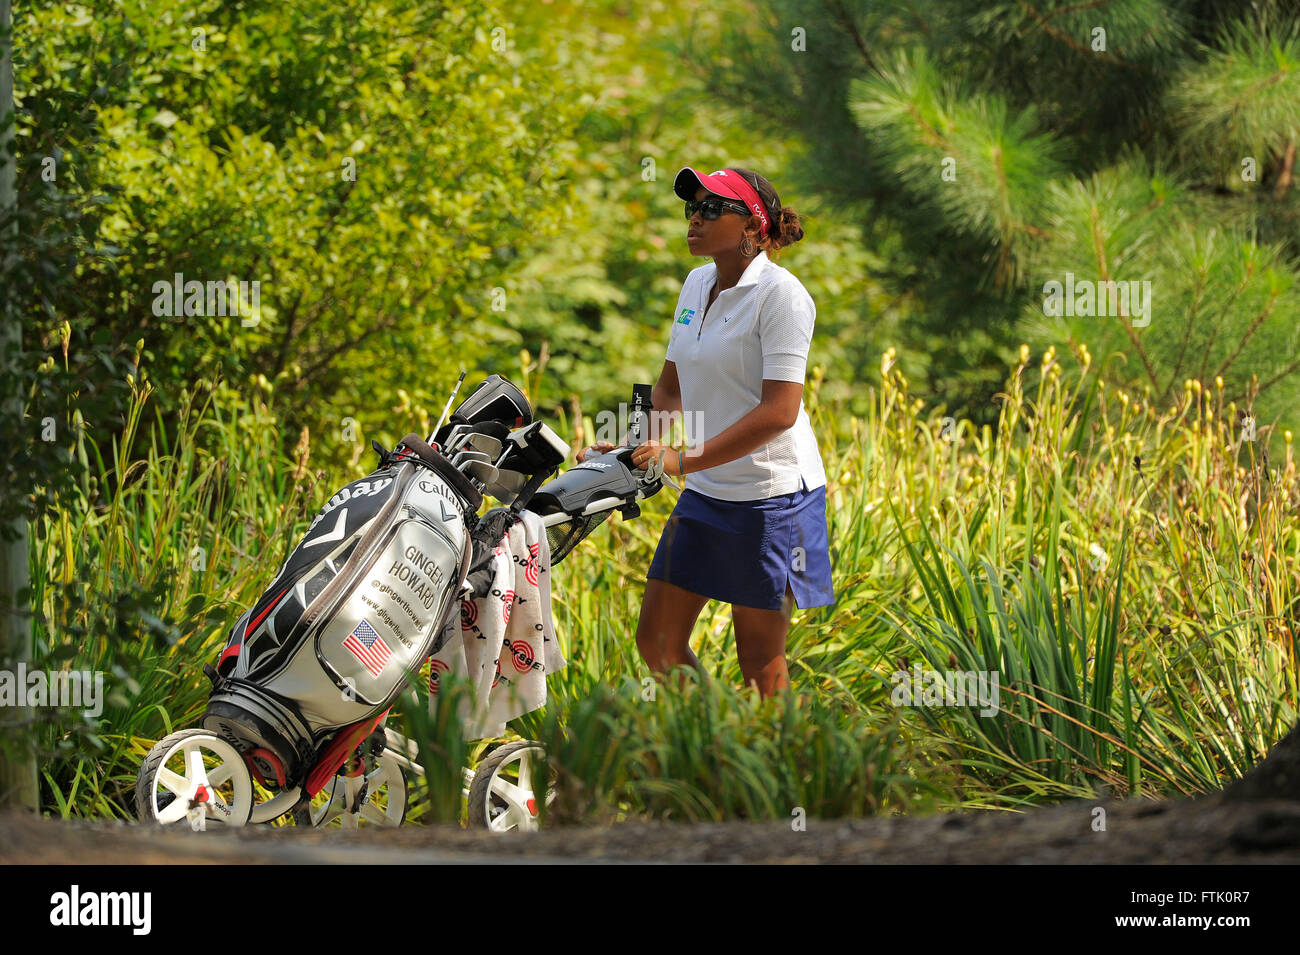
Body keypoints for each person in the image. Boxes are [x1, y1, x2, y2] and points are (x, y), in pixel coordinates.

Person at [576, 166, 834, 698]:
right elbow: (670, 389)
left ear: (754, 227)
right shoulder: (697, 283)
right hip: (709, 492)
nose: (696, 217)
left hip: (773, 500)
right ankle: (711, 755)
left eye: (714, 208)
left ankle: (785, 776)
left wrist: (681, 460)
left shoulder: (782, 296)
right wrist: (632, 449)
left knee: (761, 666)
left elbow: (779, 412)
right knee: (659, 643)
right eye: (692, 207)